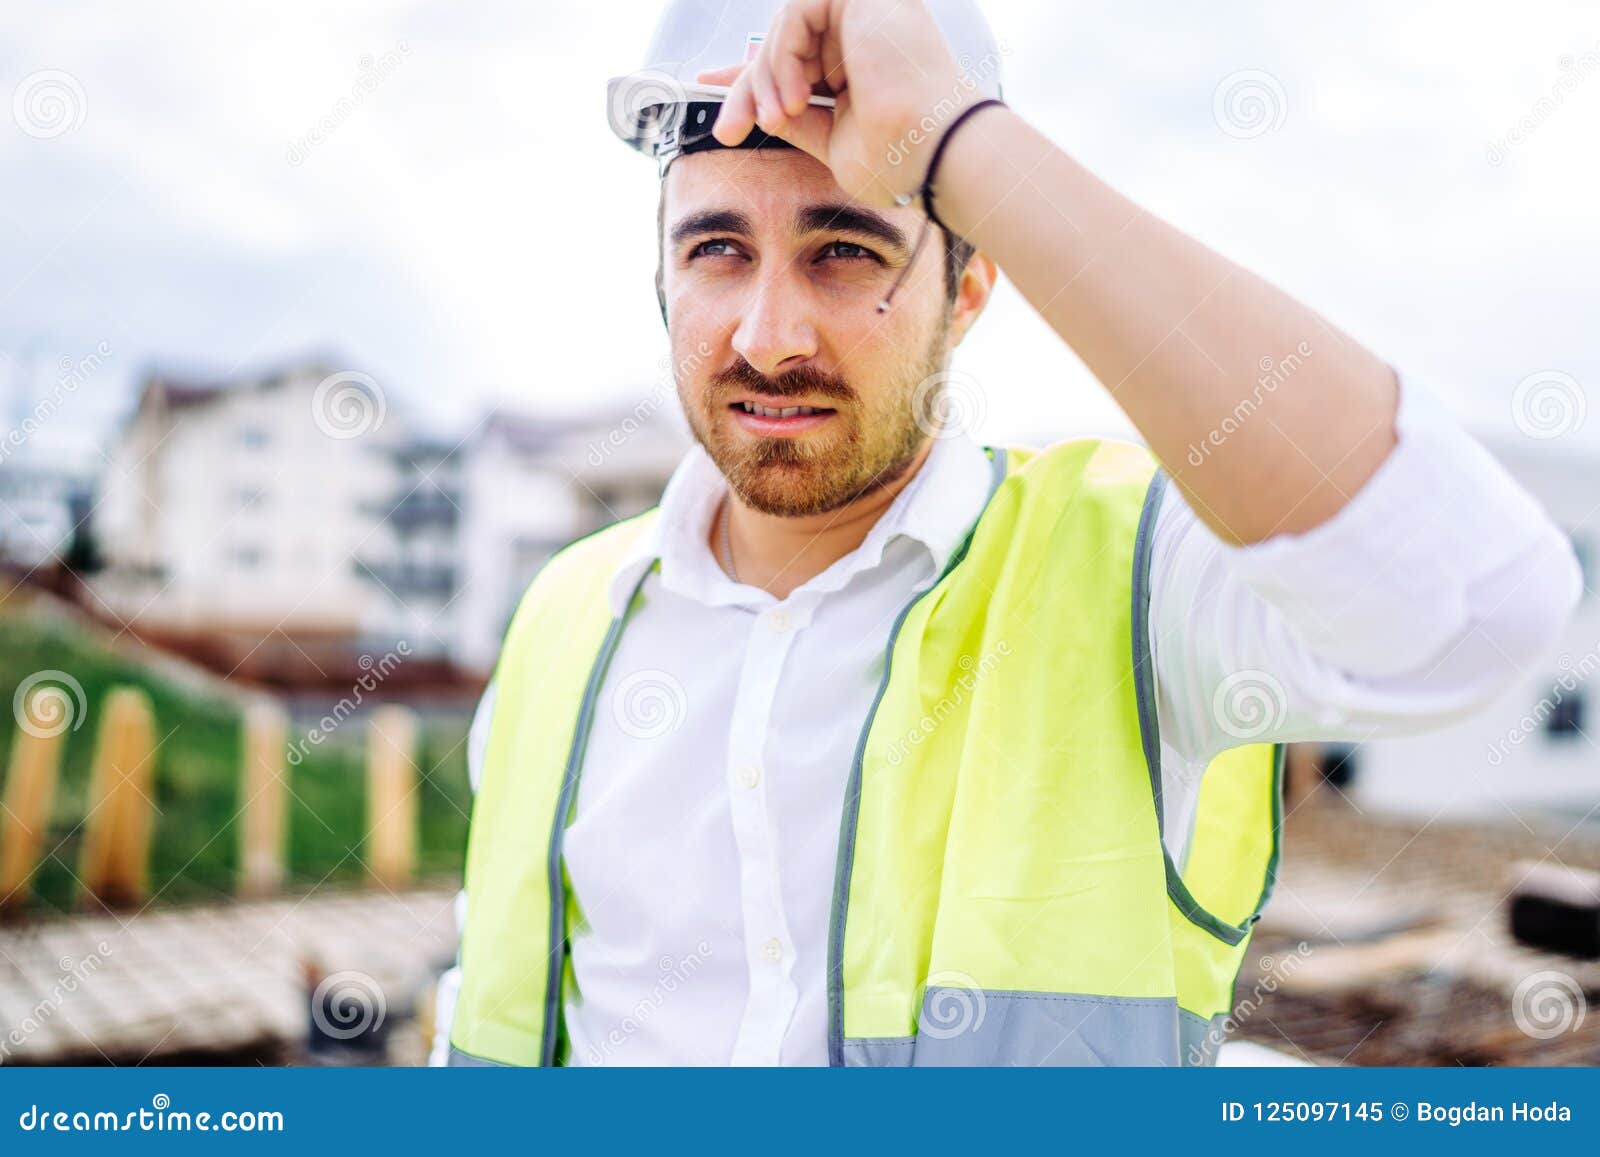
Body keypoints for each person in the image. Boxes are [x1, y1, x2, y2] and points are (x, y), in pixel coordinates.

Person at [431, 0, 1581, 1067]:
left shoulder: (1125, 577)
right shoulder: (566, 618)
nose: (768, 335)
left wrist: (957, 142)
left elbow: (1475, 606)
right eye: (716, 251)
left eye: (845, 251)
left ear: (968, 287)